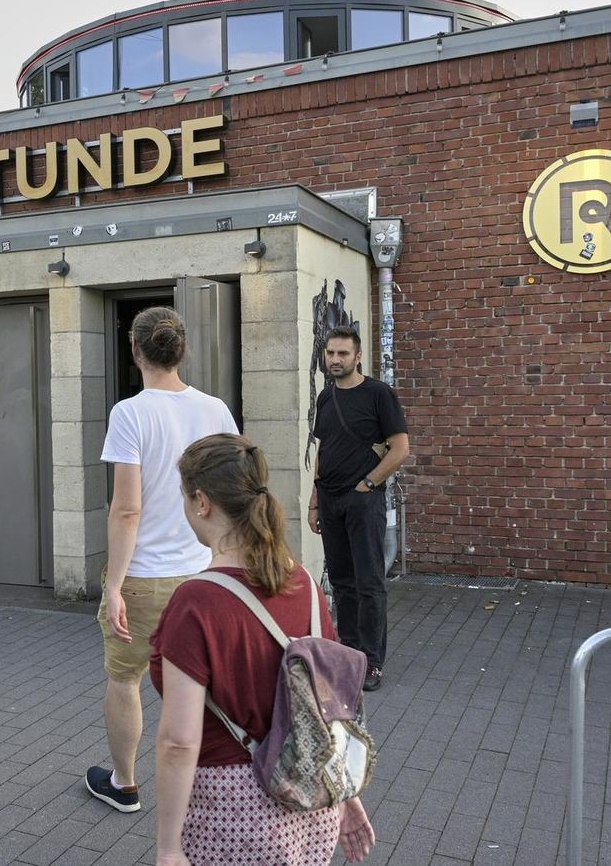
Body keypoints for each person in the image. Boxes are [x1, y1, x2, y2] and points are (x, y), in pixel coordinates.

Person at [153, 432, 376, 865]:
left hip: (233, 810)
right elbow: (326, 708)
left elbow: (179, 742)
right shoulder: (305, 584)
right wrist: (343, 794)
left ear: (202, 502)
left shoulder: (196, 602)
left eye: (184, 497)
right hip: (311, 798)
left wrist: (169, 847)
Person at [86, 306, 238, 813]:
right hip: (206, 573)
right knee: (202, 684)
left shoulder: (130, 413)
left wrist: (113, 585)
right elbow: (235, 490)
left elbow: (127, 509)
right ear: (182, 350)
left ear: (135, 349)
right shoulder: (216, 410)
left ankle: (125, 783)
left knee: (125, 679)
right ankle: (213, 784)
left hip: (145, 577)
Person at [307, 326, 409, 692]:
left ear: (358, 356)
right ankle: (348, 652)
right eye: (330, 353)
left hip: (363, 502)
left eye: (343, 354)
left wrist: (368, 483)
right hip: (330, 500)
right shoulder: (326, 397)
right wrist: (315, 501)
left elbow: (400, 449)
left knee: (369, 583)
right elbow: (324, 450)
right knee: (342, 582)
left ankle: (372, 662)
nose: (335, 360)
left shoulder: (379, 394)